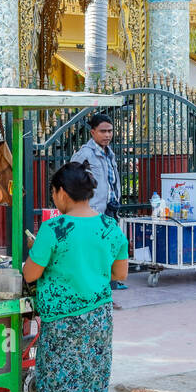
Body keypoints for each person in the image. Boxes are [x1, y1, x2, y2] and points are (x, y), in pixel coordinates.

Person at [23, 161, 129, 392]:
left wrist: (40, 257)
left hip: (63, 323)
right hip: (99, 320)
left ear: (62, 193)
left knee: (58, 388)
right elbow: (120, 274)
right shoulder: (110, 227)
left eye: (53, 192)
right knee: (91, 388)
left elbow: (30, 274)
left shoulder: (54, 229)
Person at [70, 113, 126, 291]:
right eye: (103, 131)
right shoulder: (85, 154)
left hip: (110, 209)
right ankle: (93, 289)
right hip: (93, 212)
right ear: (93, 132)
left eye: (110, 131)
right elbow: (71, 178)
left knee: (109, 250)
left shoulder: (109, 152)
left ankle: (107, 288)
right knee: (93, 252)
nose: (107, 135)